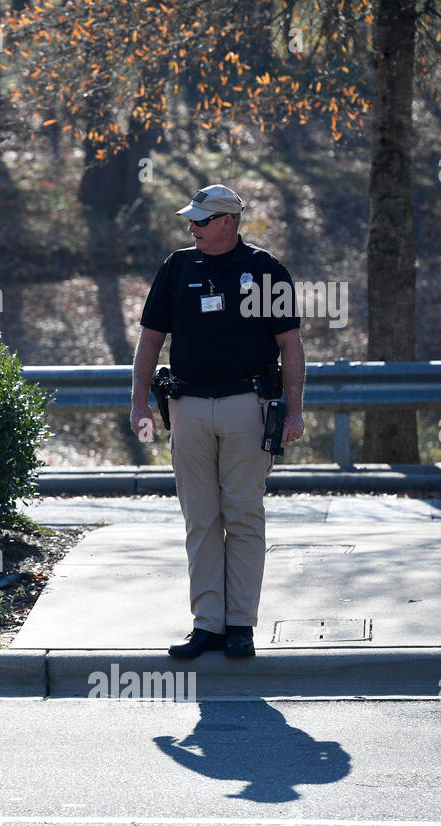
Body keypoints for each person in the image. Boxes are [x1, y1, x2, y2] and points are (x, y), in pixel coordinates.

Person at [130, 184, 306, 659]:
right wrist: (139, 402)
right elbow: (149, 340)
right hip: (186, 407)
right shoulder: (177, 267)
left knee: (243, 514)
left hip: (247, 406)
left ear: (228, 221)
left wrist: (294, 410)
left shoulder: (266, 271)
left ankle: (240, 625)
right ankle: (207, 624)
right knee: (200, 518)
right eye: (192, 221)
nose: (193, 228)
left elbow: (290, 345)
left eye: (202, 221)